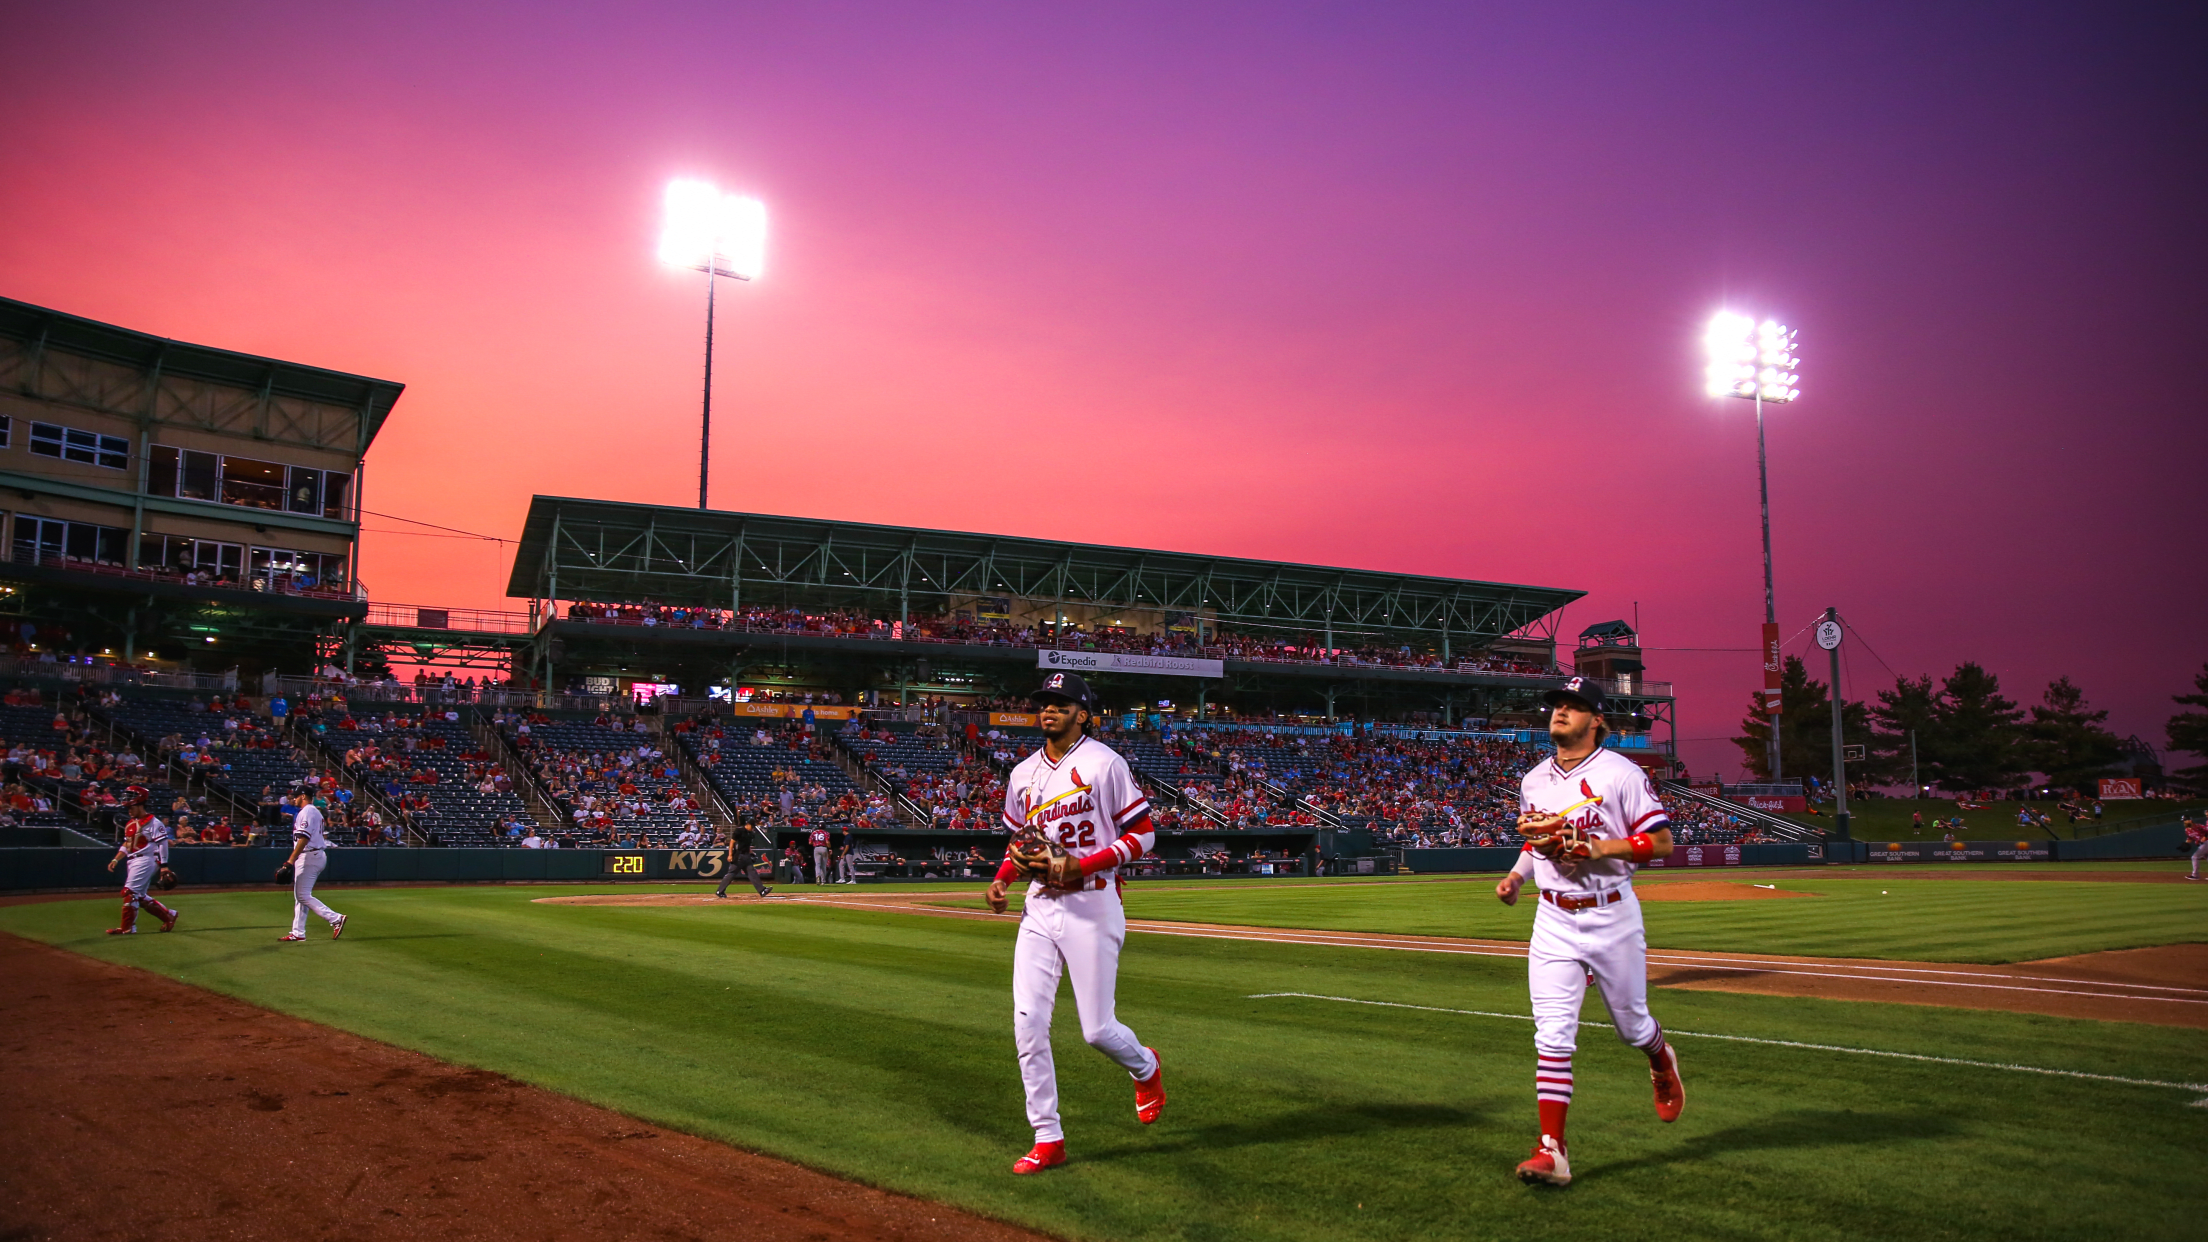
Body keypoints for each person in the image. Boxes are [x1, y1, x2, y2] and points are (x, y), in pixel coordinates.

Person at [1495, 677, 1681, 1188]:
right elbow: (1537, 843)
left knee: (1632, 1027)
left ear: (1597, 719)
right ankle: (1552, 1151)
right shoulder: (1534, 780)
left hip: (1611, 913)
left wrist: (1600, 849)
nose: (1560, 713)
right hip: (1552, 917)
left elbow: (1662, 842)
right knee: (1552, 1036)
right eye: (1557, 704)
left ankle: (1660, 1057)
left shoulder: (1621, 773)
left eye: (1573, 707)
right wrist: (1517, 875)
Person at [986, 671, 1165, 1176]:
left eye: (1062, 704)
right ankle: (1048, 1137)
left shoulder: (1105, 763)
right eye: (1045, 702)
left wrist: (1083, 864)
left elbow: (1145, 835)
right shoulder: (1022, 773)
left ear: (1082, 714)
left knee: (1097, 1030)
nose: (1050, 710)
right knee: (1028, 1027)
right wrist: (1003, 879)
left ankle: (1146, 1066)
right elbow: (1021, 841)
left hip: (1093, 902)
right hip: (1040, 906)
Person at [103, 787, 178, 935]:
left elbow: (163, 844)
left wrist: (164, 866)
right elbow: (127, 844)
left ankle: (128, 928)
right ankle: (169, 915)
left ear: (140, 804)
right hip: (133, 860)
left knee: (129, 893)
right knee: (140, 897)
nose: (129, 810)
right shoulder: (131, 823)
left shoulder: (154, 823)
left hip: (146, 860)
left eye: (132, 807)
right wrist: (116, 859)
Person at [276, 794, 346, 942]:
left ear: (303, 796)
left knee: (302, 895)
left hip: (309, 855)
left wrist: (290, 861)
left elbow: (304, 837)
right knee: (301, 896)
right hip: (312, 855)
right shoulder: (313, 811)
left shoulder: (307, 810)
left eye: (295, 796)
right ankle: (298, 932)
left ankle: (335, 918)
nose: (293, 799)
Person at [713, 829, 773, 898]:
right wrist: (730, 855)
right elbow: (733, 844)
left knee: (752, 873)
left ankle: (762, 890)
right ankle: (720, 891)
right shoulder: (740, 833)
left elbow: (746, 848)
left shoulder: (748, 835)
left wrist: (752, 853)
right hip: (738, 857)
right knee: (731, 873)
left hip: (745, 857)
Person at [2185, 815, 2207, 881]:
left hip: (2206, 842)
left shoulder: (2198, 826)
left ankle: (2195, 875)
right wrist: (2186, 843)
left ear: (2190, 820)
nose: (2184, 822)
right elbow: (2190, 838)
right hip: (2202, 844)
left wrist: (2205, 836)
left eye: (2185, 820)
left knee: (2194, 857)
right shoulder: (2187, 830)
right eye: (2184, 821)